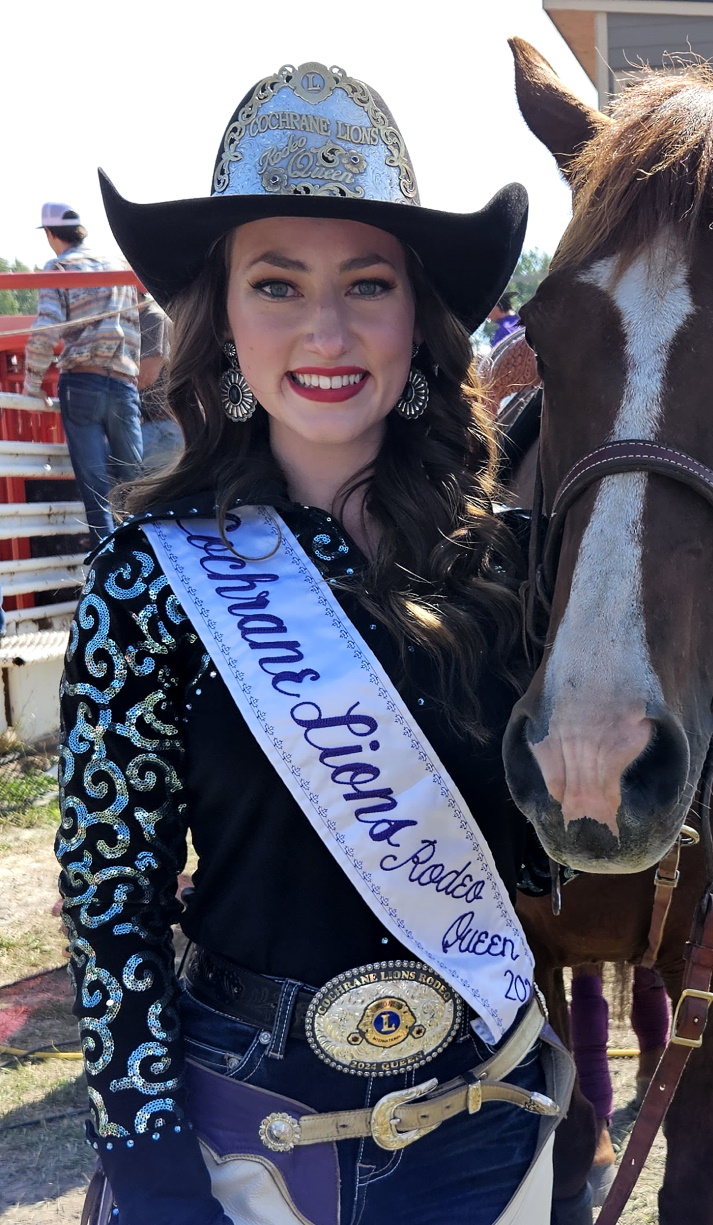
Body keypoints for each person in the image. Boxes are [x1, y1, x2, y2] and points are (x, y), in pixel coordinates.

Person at [56, 60, 573, 1225]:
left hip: (484, 1127)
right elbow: (109, 896)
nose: (327, 329)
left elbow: (551, 863)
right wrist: (146, 1156)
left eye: (368, 283)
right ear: (222, 316)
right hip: (249, 1135)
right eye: (278, 285)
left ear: (418, 315)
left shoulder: (514, 564)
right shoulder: (148, 579)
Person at [23, 203, 143, 541]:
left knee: (96, 490)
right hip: (123, 384)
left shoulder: (58, 266)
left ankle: (107, 568)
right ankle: (143, 560)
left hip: (81, 383)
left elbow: (46, 328)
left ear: (50, 234)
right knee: (132, 484)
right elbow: (136, 328)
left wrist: (32, 384)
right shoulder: (117, 266)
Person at [136, 290, 181, 472]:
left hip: (161, 428)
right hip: (155, 426)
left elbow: (147, 375)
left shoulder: (153, 318)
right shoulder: (142, 319)